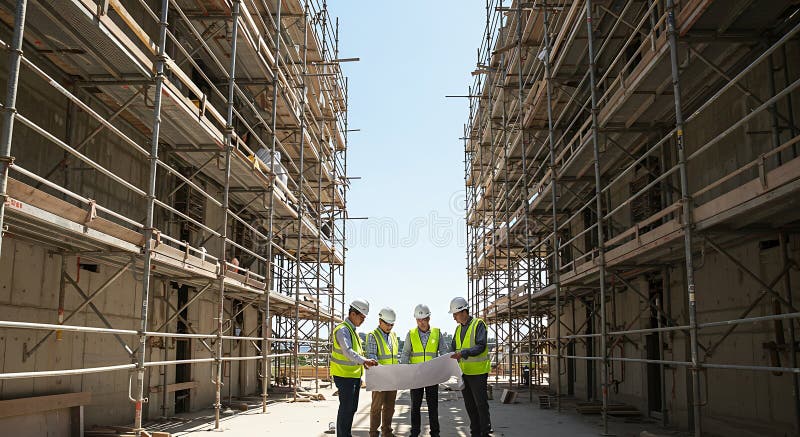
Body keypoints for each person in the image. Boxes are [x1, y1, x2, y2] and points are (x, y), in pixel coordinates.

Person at [400, 304, 450, 437]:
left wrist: (444, 368)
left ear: (429, 318)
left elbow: (444, 352)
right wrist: (403, 371)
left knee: (433, 406)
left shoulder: (437, 333)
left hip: (432, 376)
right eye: (418, 320)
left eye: (424, 319)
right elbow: (405, 354)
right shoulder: (411, 334)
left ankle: (435, 433)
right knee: (415, 406)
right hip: (416, 376)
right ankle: (414, 432)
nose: (421, 322)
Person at [331, 298, 378, 437]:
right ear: (353, 314)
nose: (363, 320)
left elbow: (355, 352)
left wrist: (363, 363)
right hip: (344, 375)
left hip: (353, 376)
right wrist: (364, 361)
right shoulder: (343, 330)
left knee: (351, 409)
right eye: (361, 317)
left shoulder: (352, 330)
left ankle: (346, 434)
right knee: (346, 409)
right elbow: (348, 352)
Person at [449, 296, 492, 437]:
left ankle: (485, 432)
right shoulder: (458, 329)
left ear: (464, 312)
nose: (454, 318)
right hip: (464, 373)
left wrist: (463, 353)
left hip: (478, 373)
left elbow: (481, 346)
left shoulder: (478, 324)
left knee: (481, 404)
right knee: (469, 405)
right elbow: (453, 348)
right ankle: (475, 432)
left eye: (455, 314)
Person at [365, 307, 399, 437]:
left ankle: (387, 432)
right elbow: (372, 356)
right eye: (387, 324)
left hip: (392, 378)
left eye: (392, 324)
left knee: (390, 407)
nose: (390, 327)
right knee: (376, 407)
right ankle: (373, 433)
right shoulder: (373, 335)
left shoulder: (394, 336)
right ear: (380, 321)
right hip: (379, 378)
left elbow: (394, 357)